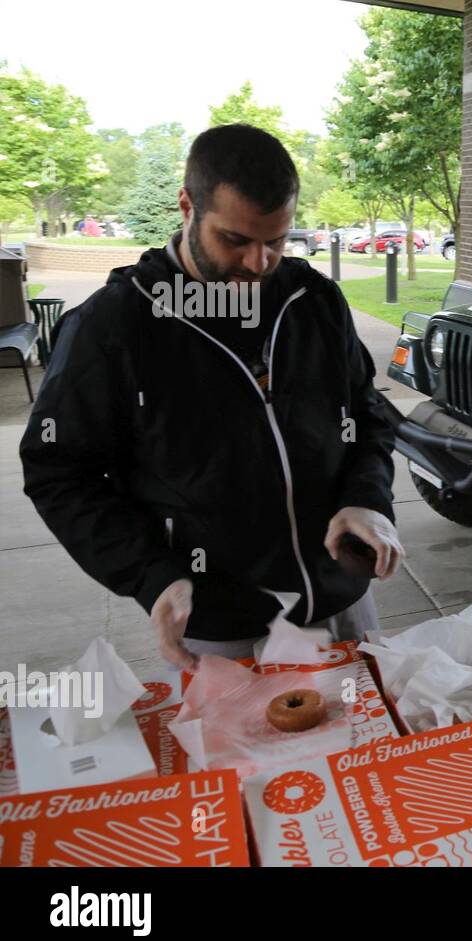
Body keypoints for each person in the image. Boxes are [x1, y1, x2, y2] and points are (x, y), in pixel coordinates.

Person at [21, 124, 403, 672]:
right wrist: (151, 575)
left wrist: (368, 497)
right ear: (186, 207)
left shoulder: (313, 300)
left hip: (342, 595)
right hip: (217, 618)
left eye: (276, 241)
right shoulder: (113, 325)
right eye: (236, 240)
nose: (259, 263)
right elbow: (59, 473)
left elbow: (367, 416)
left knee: (374, 749)